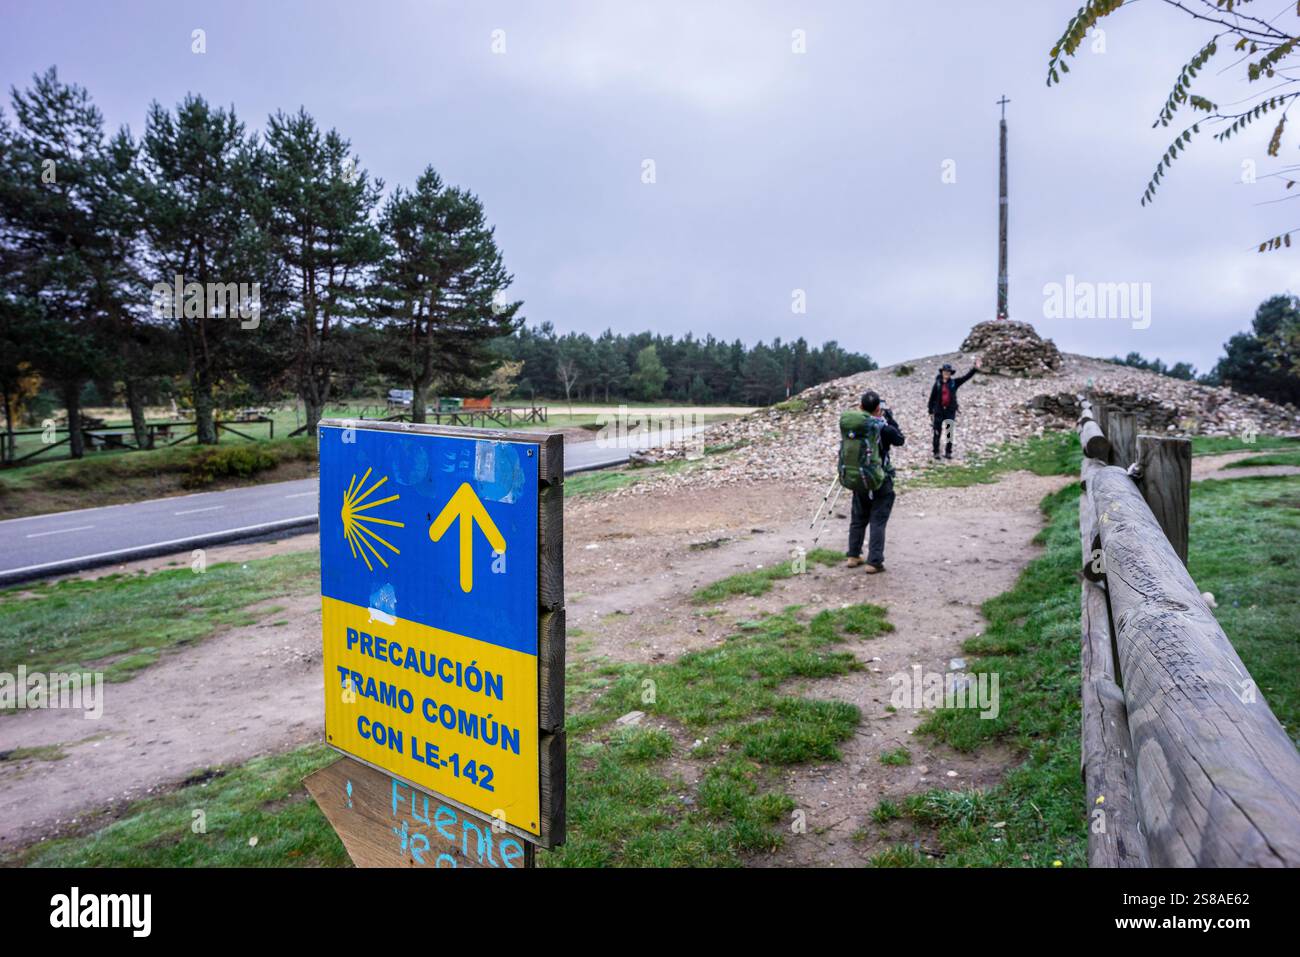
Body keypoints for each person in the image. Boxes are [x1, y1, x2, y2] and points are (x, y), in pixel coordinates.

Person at [846, 390, 903, 573]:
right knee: (878, 520)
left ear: (860, 407)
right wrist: (890, 419)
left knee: (858, 518)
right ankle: (874, 561)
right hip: (880, 478)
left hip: (860, 477)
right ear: (879, 409)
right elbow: (900, 440)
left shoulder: (854, 426)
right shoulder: (884, 428)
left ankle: (853, 555)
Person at [927, 356, 981, 460]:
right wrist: (930, 411)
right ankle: (936, 452)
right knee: (937, 432)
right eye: (945, 371)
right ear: (942, 372)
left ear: (950, 373)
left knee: (949, 432)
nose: (946, 373)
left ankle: (948, 452)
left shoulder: (954, 383)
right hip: (938, 411)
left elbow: (966, 377)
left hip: (950, 411)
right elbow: (932, 398)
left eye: (948, 372)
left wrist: (975, 368)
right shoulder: (937, 384)